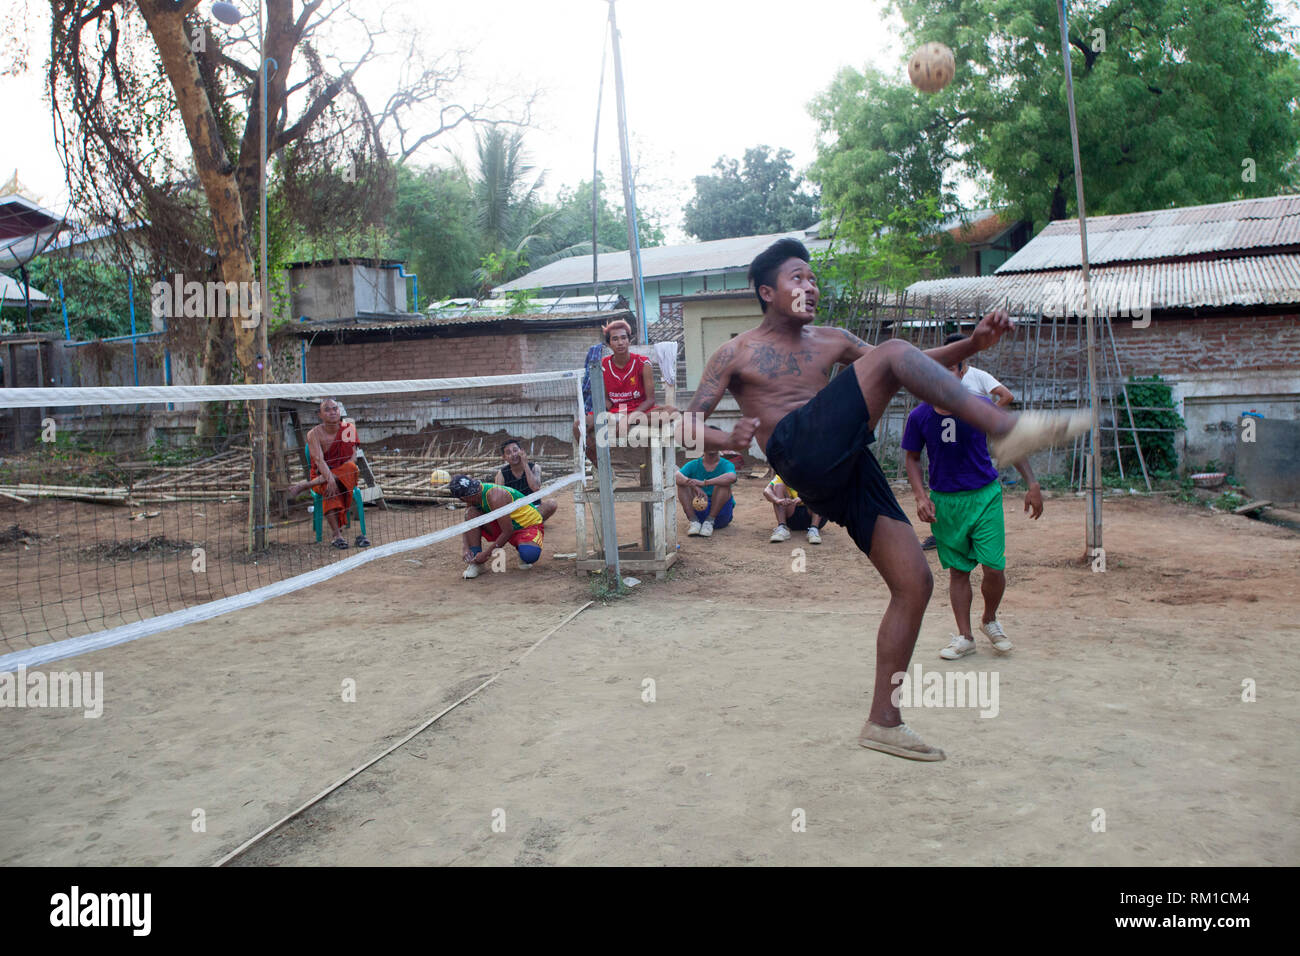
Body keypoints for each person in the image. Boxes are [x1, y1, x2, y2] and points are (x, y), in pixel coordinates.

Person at [682, 237, 1087, 761]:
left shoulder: (831, 340)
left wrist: (971, 346)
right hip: (796, 451)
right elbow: (686, 422)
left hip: (845, 463)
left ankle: (884, 722)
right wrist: (723, 439)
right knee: (894, 352)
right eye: (797, 278)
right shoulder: (736, 351)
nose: (810, 285)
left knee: (915, 581)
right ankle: (1005, 429)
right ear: (766, 291)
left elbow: (906, 365)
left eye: (812, 277)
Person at [902, 358, 1044, 661]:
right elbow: (912, 457)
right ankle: (965, 637)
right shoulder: (919, 416)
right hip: (946, 502)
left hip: (984, 496)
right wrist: (919, 496)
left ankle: (989, 619)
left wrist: (1031, 484)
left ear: (960, 372)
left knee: (994, 566)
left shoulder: (980, 407)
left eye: (949, 370)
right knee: (958, 571)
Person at [920, 334, 1016, 551]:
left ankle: (976, 534)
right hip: (947, 439)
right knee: (944, 480)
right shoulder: (937, 381)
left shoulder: (978, 376)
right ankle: (943, 533)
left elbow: (1006, 395)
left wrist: (984, 417)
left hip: (969, 439)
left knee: (976, 482)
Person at [286, 398, 370, 549]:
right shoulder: (314, 434)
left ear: (339, 412)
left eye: (335, 409)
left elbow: (352, 458)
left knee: (351, 468)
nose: (332, 412)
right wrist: (329, 478)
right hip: (322, 475)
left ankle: (306, 485)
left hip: (344, 473)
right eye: (327, 410)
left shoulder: (347, 429)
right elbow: (318, 460)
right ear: (320, 415)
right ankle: (337, 535)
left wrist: (333, 477)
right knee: (329, 489)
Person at [575, 318, 660, 464]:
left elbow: (650, 400)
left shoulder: (643, 363)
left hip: (640, 411)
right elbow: (607, 399)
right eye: (615, 339)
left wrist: (629, 418)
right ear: (609, 344)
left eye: (623, 338)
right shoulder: (602, 365)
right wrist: (600, 414)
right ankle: (602, 466)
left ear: (629, 340)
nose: (620, 342)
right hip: (615, 413)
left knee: (669, 413)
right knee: (578, 426)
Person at [449, 475, 545, 578]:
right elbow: (467, 523)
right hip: (504, 524)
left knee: (529, 555)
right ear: (463, 499)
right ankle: (476, 563)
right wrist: (466, 547)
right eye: (471, 494)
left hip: (527, 525)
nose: (476, 493)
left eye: (475, 490)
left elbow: (508, 531)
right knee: (471, 513)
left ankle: (522, 548)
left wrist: (486, 554)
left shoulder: (495, 496)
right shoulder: (472, 499)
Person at [492, 439, 557, 522]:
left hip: (534, 508)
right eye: (508, 453)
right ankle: (530, 523)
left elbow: (535, 488)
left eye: (515, 450)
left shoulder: (534, 467)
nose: (513, 454)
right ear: (504, 457)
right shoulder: (501, 474)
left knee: (552, 503)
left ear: (522, 451)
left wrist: (525, 465)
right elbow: (498, 499)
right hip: (515, 513)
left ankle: (527, 523)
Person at [675, 450, 737, 537]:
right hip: (699, 511)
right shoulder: (694, 464)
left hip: (720, 515)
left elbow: (732, 477)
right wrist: (694, 486)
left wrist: (704, 483)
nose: (711, 447)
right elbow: (677, 476)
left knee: (723, 484)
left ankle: (710, 521)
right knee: (682, 484)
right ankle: (694, 521)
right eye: (708, 443)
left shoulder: (726, 464)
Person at [764, 474, 826, 545]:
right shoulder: (783, 473)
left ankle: (814, 529)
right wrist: (777, 500)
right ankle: (782, 527)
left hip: (815, 516)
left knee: (819, 487)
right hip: (793, 518)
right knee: (778, 486)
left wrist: (804, 498)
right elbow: (766, 491)